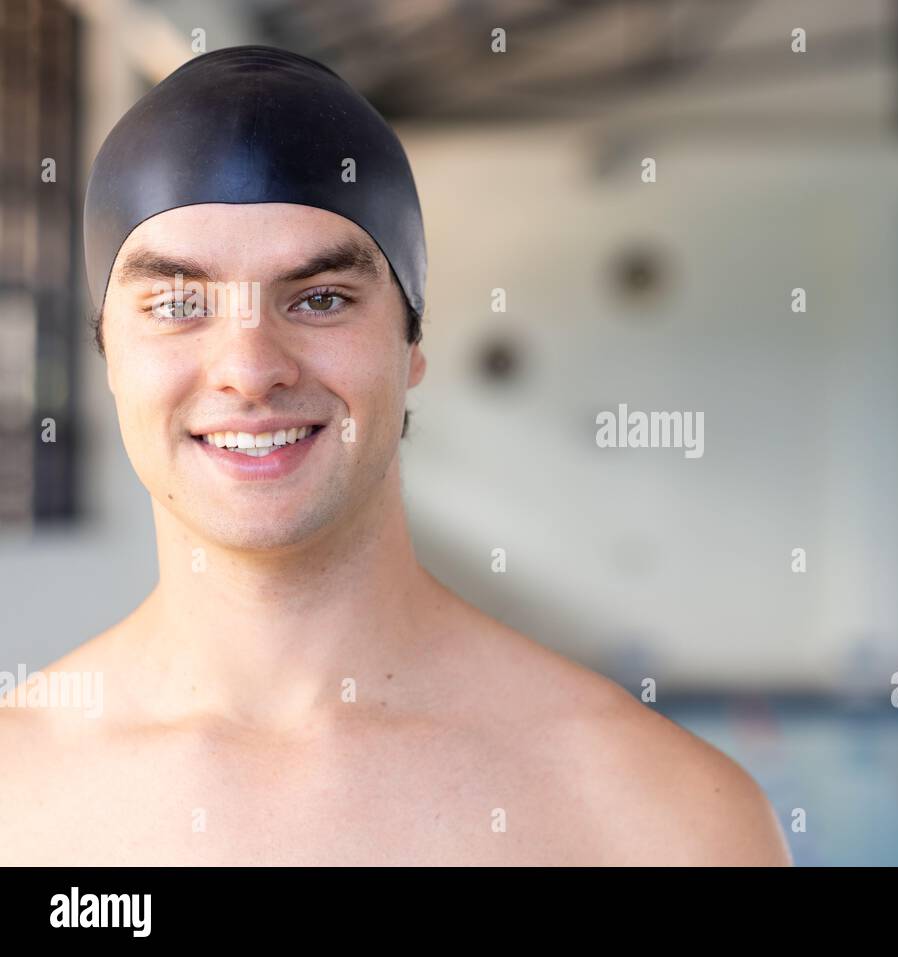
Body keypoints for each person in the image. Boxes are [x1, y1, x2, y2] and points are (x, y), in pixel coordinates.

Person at [0, 46, 791, 866]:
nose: (250, 368)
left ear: (411, 340)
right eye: (176, 303)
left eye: (319, 298)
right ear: (106, 351)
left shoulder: (663, 819)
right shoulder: (15, 797)